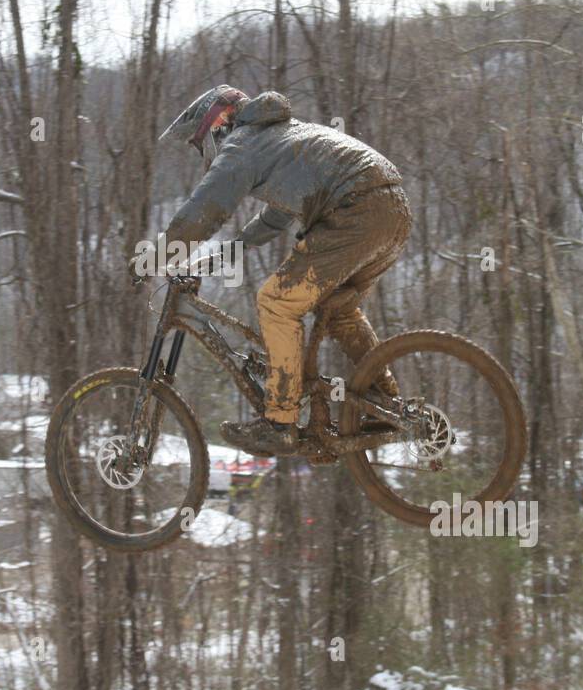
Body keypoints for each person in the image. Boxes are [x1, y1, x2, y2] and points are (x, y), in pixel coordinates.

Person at [138, 84, 412, 454]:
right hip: (392, 212)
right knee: (339, 309)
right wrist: (227, 253)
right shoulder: (282, 136)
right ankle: (384, 402)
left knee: (276, 302)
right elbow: (277, 215)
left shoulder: (242, 144)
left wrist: (153, 259)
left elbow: (203, 212)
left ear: (218, 123)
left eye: (197, 141)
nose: (199, 150)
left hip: (356, 213)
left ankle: (280, 422)